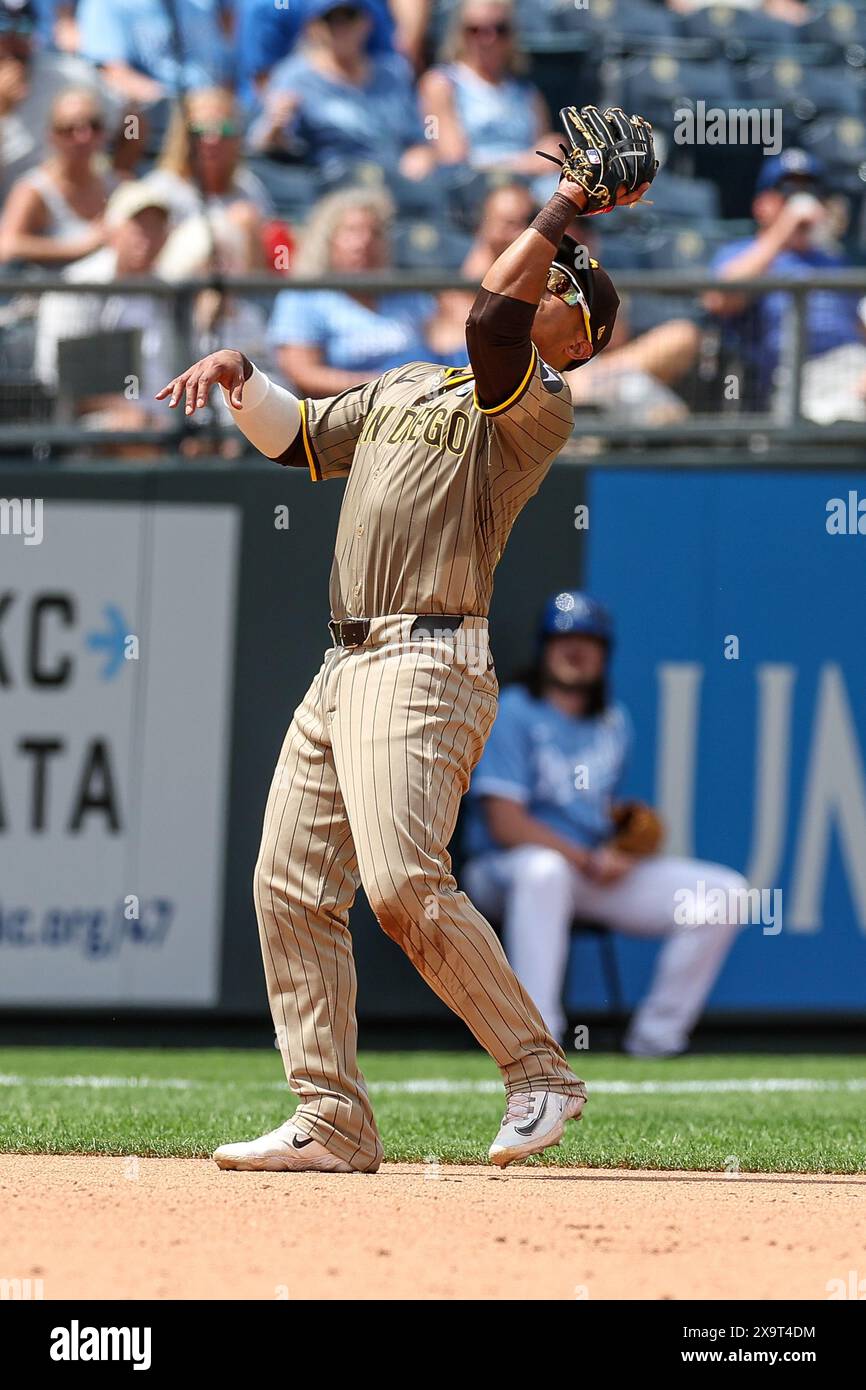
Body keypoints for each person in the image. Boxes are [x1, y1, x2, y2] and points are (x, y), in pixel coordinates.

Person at [156, 109, 654, 1174]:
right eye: (552, 276)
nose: (550, 287)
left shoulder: (533, 399)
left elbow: (489, 322)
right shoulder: (400, 385)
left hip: (428, 654)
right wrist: (243, 375)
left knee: (399, 883)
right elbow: (297, 439)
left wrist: (566, 208)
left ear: (581, 336)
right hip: (343, 660)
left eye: (567, 291)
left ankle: (539, 1071)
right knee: (287, 885)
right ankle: (330, 1116)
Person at [462, 592, 748, 1058]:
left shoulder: (613, 722)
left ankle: (657, 1038)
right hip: (503, 870)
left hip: (584, 869)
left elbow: (595, 807)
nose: (576, 650)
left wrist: (622, 842)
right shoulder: (513, 710)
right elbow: (505, 823)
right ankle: (539, 1043)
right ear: (545, 648)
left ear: (605, 653)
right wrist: (587, 857)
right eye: (564, 638)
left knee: (724, 894)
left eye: (589, 641)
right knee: (544, 870)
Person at [706, 149, 866, 422]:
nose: (800, 200)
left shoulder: (835, 258)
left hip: (854, 367)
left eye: (810, 190)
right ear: (761, 205)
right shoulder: (744, 252)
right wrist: (784, 230)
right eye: (787, 190)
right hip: (795, 374)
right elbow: (720, 300)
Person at [269, 188, 436, 398]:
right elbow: (302, 373)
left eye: (375, 233)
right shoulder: (304, 297)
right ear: (328, 241)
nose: (365, 242)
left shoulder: (408, 295)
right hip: (343, 417)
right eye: (352, 231)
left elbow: (443, 345)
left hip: (417, 407)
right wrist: (381, 386)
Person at [35, 180, 174, 429]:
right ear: (112, 230)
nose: (146, 237)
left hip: (168, 424)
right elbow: (64, 379)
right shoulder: (79, 285)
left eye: (155, 227)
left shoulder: (169, 291)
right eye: (138, 225)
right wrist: (139, 416)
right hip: (89, 430)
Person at [250, 0, 435, 181]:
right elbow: (263, 144)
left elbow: (423, 130)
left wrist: (423, 152)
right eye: (331, 20)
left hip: (396, 182)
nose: (341, 27)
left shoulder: (394, 73)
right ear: (313, 27)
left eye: (349, 16)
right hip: (330, 186)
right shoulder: (294, 78)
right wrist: (275, 127)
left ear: (367, 22)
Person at [418, 0, 560, 175]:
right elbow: (452, 158)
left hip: (530, 186)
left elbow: (543, 152)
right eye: (476, 30)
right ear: (460, 34)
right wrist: (523, 164)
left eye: (499, 30)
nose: (489, 39)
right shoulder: (440, 84)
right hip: (474, 188)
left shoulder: (528, 93)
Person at [0, 0, 120, 201]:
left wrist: (123, 165)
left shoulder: (72, 74)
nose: (12, 40)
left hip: (73, 206)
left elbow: (132, 120)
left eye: (22, 29)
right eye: (3, 29)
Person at [146, 88, 273, 267]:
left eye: (224, 129)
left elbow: (272, 252)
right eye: (200, 130)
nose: (212, 139)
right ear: (184, 137)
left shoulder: (248, 187)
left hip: (239, 290)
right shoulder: (161, 189)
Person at [0, 87, 113, 266]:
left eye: (94, 126)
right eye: (69, 129)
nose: (83, 137)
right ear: (51, 135)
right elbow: (7, 246)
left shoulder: (117, 184)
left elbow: (135, 123)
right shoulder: (33, 189)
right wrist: (78, 248)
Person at [76, 0, 234, 104]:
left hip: (208, 110)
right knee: (133, 129)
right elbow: (113, 72)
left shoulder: (202, 5)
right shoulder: (106, 4)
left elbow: (223, 68)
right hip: (150, 114)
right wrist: (175, 102)